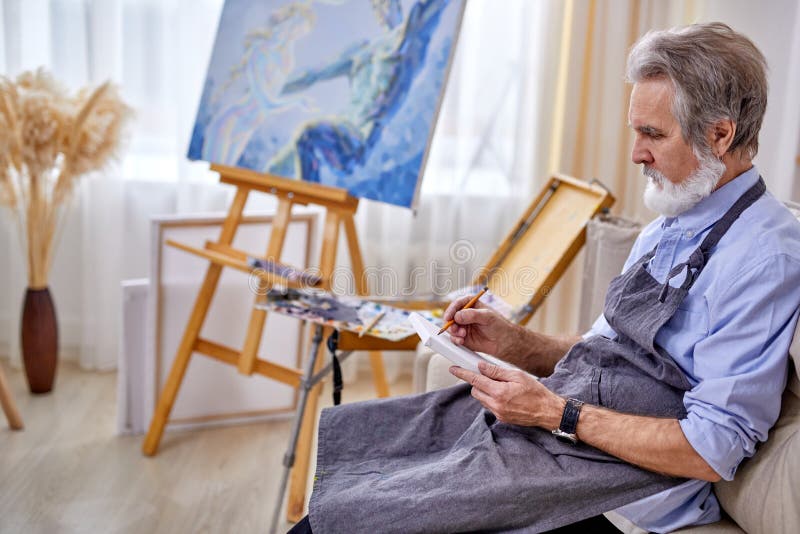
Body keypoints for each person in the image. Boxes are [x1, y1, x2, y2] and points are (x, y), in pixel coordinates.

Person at [289, 22, 800, 533]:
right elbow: (605, 351)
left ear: (720, 134)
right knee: (362, 479)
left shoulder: (765, 257)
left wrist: (558, 413)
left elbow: (714, 448)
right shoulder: (673, 222)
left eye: (654, 134)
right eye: (635, 131)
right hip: (564, 439)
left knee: (368, 516)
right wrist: (514, 343)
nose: (635, 154)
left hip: (616, 484)